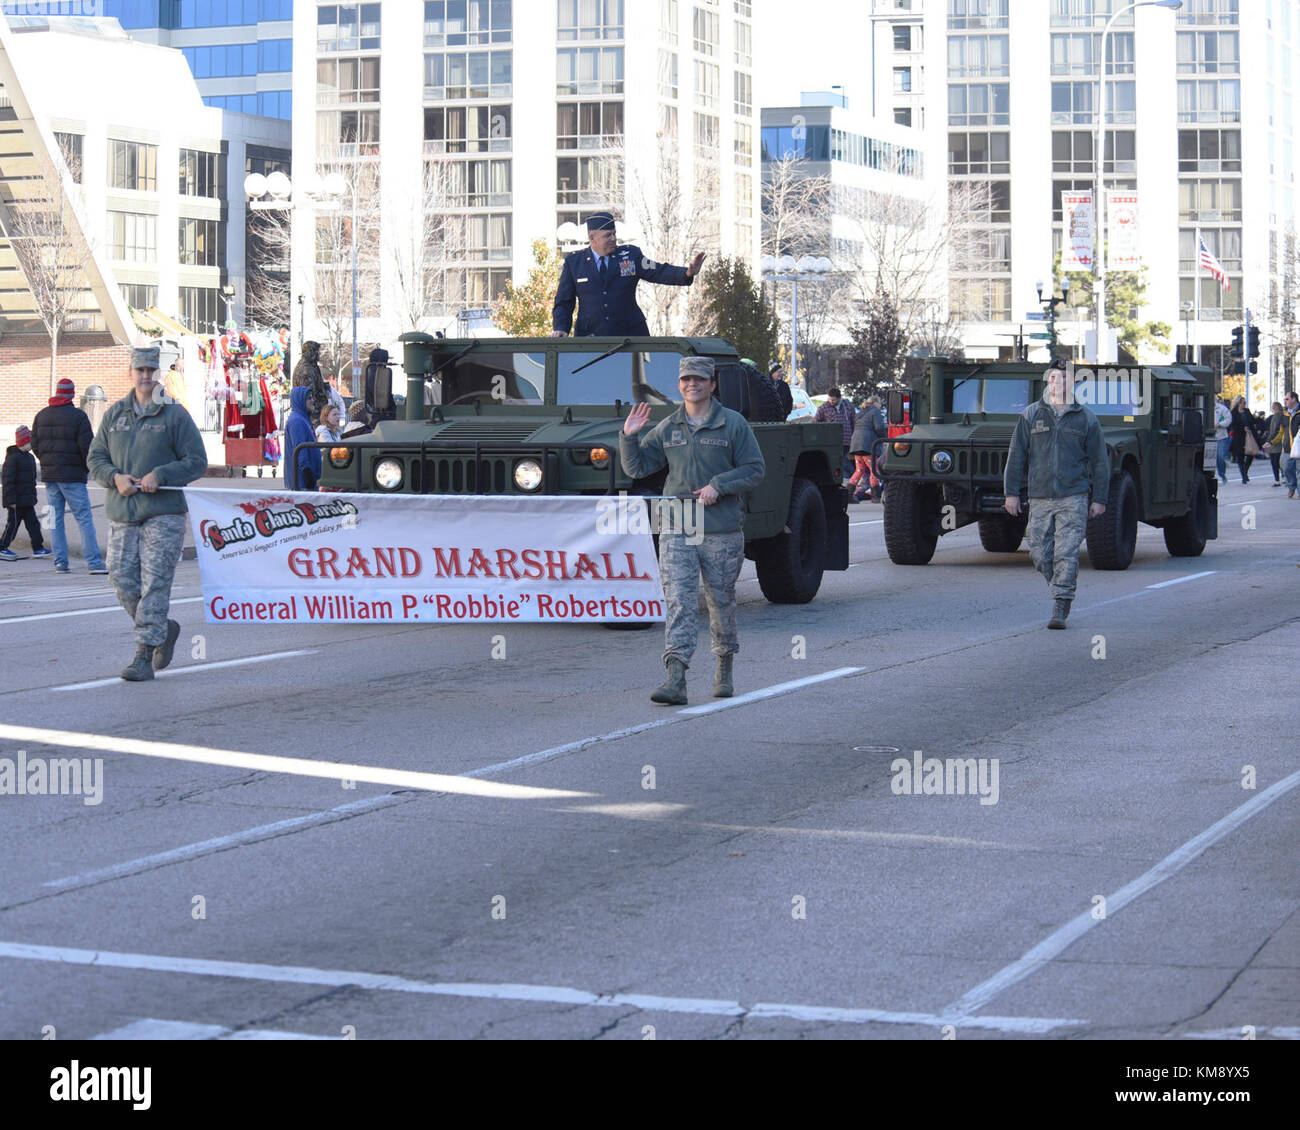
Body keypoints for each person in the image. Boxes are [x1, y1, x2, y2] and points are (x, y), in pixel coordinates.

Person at [619, 356, 765, 705]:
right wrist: (629, 437)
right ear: (679, 384)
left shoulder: (732, 425)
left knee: (720, 601)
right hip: (678, 521)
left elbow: (755, 469)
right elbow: (637, 468)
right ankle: (676, 676)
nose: (692, 385)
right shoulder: (669, 427)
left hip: (720, 527)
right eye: (686, 379)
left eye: (699, 379)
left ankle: (724, 663)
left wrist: (720, 484)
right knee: (679, 601)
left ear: (712, 384)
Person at [87, 345, 207, 682]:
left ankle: (143, 653)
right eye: (139, 371)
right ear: (131, 372)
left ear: (158, 374)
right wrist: (114, 477)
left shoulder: (174, 414)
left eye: (150, 371)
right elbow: (95, 458)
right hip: (123, 508)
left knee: (155, 582)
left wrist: (162, 475)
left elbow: (196, 460)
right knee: (122, 580)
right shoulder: (115, 414)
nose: (144, 377)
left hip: (163, 511)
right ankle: (162, 629)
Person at [1004, 358, 1109, 630]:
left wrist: (1100, 498)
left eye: (1062, 377)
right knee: (1038, 552)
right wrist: (1011, 493)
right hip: (1039, 496)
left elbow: (1099, 461)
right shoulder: (1031, 415)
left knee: (1066, 551)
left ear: (1073, 382)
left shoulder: (1086, 418)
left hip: (1073, 496)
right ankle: (1060, 584)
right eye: (1052, 377)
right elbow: (1016, 456)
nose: (1056, 382)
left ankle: (1061, 602)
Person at [551, 211, 705, 338]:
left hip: (630, 337)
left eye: (614, 234)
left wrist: (687, 272)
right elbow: (564, 301)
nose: (613, 239)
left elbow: (658, 271)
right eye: (608, 235)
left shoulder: (630, 255)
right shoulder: (574, 262)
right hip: (591, 337)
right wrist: (561, 328)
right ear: (592, 238)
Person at [31, 376, 108, 575]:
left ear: (57, 393)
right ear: (72, 394)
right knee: (84, 518)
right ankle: (94, 562)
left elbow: (35, 445)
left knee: (55, 519)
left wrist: (47, 463)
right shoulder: (78, 417)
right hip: (73, 476)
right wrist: (86, 468)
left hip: (50, 476)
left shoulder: (42, 415)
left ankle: (60, 562)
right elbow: (87, 448)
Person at [0, 425, 48, 562]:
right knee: (12, 525)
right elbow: (8, 481)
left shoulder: (30, 457)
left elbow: (31, 479)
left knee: (33, 524)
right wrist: (10, 500)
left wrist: (33, 496)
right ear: (23, 442)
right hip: (15, 501)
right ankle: (2, 547)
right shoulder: (12, 458)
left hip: (27, 500)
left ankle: (38, 548)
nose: (32, 445)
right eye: (30, 442)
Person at [848, 395, 886, 503]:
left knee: (859, 470)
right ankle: (876, 496)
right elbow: (879, 427)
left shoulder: (860, 413)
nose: (880, 406)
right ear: (875, 403)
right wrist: (883, 437)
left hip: (856, 445)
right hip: (869, 446)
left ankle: (849, 494)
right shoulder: (875, 412)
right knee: (874, 470)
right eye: (880, 403)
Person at [284, 385, 322, 491]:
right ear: (300, 400)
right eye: (308, 398)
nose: (312, 400)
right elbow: (300, 449)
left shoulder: (302, 419)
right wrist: (307, 474)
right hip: (303, 483)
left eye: (312, 397)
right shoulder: (297, 421)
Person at [814, 387, 856, 475]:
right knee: (839, 460)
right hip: (831, 439)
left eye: (833, 400)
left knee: (843, 459)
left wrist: (854, 435)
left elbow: (854, 422)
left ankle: (850, 478)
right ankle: (850, 477)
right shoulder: (823, 407)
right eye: (829, 399)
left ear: (839, 398)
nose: (831, 401)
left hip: (846, 438)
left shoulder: (848, 406)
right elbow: (816, 422)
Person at [1270, 390, 1300, 499]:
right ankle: (1291, 486)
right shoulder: (1284, 414)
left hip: (1299, 448)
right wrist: (1272, 442)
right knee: (1286, 467)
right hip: (1287, 448)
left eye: (1287, 399)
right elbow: (1280, 431)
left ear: (1294, 399)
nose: (1285, 401)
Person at [291, 339, 328, 423]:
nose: (319, 354)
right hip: (313, 416)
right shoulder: (306, 369)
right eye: (316, 351)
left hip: (316, 413)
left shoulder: (311, 366)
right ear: (311, 352)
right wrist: (315, 418)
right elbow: (308, 395)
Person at [1228, 396, 1258, 484]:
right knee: (1240, 457)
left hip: (1248, 436)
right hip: (1239, 437)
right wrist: (1242, 428)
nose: (1244, 404)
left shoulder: (1247, 411)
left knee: (1251, 455)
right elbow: (1233, 425)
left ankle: (1245, 470)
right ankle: (1244, 476)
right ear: (1238, 403)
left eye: (1245, 403)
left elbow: (1252, 421)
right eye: (1243, 403)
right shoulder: (1234, 412)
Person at [1263, 400, 1286, 487]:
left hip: (1275, 443)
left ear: (1273, 408)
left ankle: (1277, 480)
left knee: (1274, 462)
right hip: (1281, 442)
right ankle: (1284, 477)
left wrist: (1269, 441)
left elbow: (1274, 430)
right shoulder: (1283, 415)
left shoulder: (1276, 417)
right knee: (1280, 462)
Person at [1213, 397, 1232, 485]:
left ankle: (1222, 474)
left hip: (1220, 436)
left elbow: (1228, 419)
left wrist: (1220, 424)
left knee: (1219, 456)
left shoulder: (1222, 409)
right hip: (1207, 436)